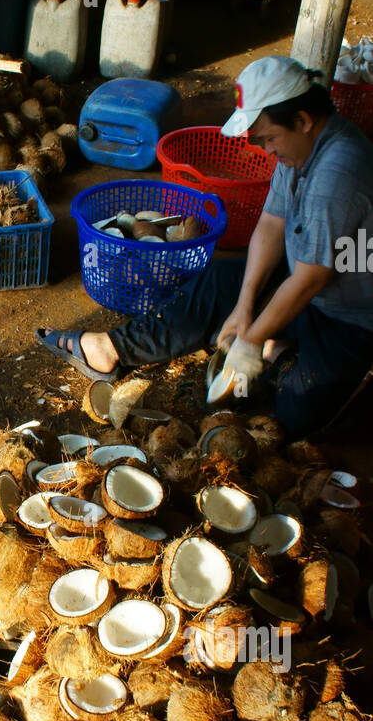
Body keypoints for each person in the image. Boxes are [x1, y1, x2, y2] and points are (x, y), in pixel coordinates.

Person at [36, 55, 373, 438]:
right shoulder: (297, 149)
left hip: (348, 318)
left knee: (294, 418)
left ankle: (278, 355)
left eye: (268, 138)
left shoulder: (339, 169)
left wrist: (251, 339)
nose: (265, 150)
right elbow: (271, 223)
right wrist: (245, 308)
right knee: (213, 282)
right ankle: (112, 347)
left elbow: (313, 279)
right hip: (299, 284)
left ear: (303, 120)